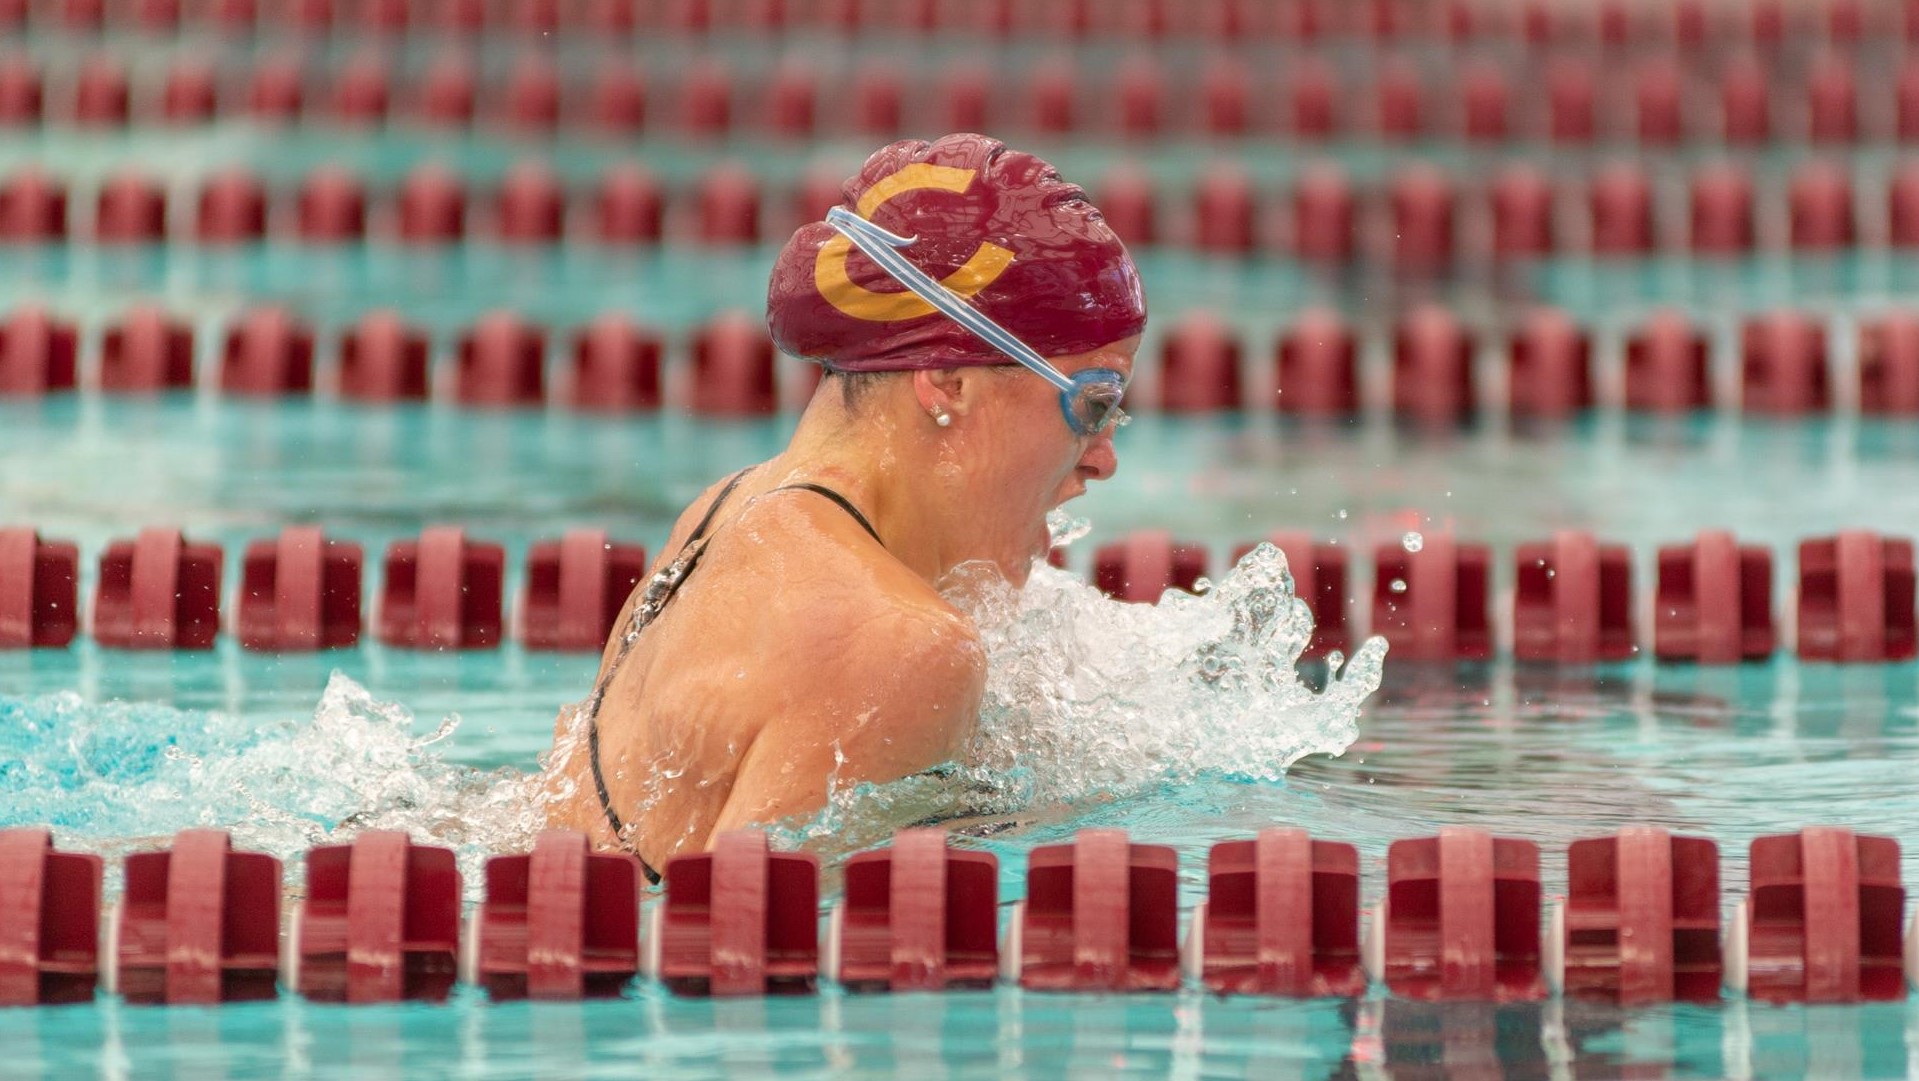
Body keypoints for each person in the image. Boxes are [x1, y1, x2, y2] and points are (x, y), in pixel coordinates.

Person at [543, 133, 1148, 881]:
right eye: (1093, 404)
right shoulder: (904, 646)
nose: (1103, 457)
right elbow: (742, 933)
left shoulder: (726, 506)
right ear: (948, 383)